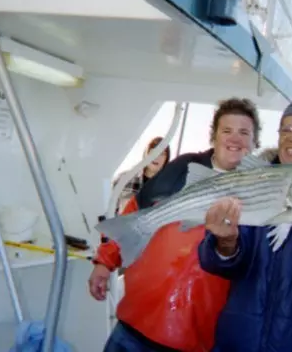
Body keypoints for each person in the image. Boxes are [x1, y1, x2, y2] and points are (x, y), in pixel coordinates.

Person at [89, 98, 262, 352]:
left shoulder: (263, 189)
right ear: (213, 137)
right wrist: (105, 262)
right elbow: (136, 214)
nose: (234, 138)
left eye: (244, 132)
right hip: (136, 319)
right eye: (227, 130)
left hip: (195, 336)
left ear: (255, 142)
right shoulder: (183, 168)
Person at [198, 93, 292, 352]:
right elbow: (216, 263)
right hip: (238, 342)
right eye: (286, 129)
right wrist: (225, 243)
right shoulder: (251, 182)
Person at [113, 136, 171, 214]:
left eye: (162, 154)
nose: (157, 156)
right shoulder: (123, 179)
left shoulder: (170, 189)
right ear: (145, 154)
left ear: (166, 159)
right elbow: (106, 212)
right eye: (153, 151)